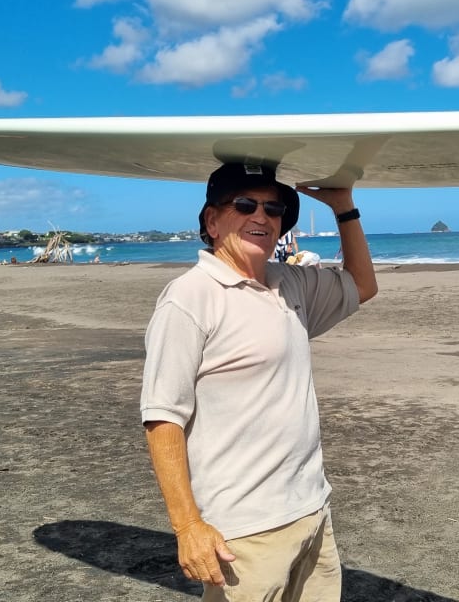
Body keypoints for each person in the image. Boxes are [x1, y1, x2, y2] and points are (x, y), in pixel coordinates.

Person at [141, 162, 377, 601]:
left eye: (274, 209)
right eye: (245, 204)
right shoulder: (188, 299)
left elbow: (362, 285)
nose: (262, 217)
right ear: (211, 221)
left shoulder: (289, 283)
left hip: (311, 509)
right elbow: (162, 418)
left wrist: (344, 208)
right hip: (243, 531)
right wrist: (188, 525)